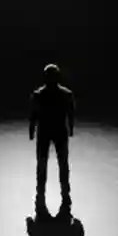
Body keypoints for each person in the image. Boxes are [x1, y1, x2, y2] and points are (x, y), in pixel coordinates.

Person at [30, 63, 76, 219]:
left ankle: (41, 191)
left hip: (44, 132)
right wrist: (71, 127)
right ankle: (64, 192)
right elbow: (71, 112)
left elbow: (33, 114)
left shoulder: (39, 94)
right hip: (59, 132)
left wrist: (31, 130)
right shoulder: (66, 94)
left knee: (43, 162)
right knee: (62, 162)